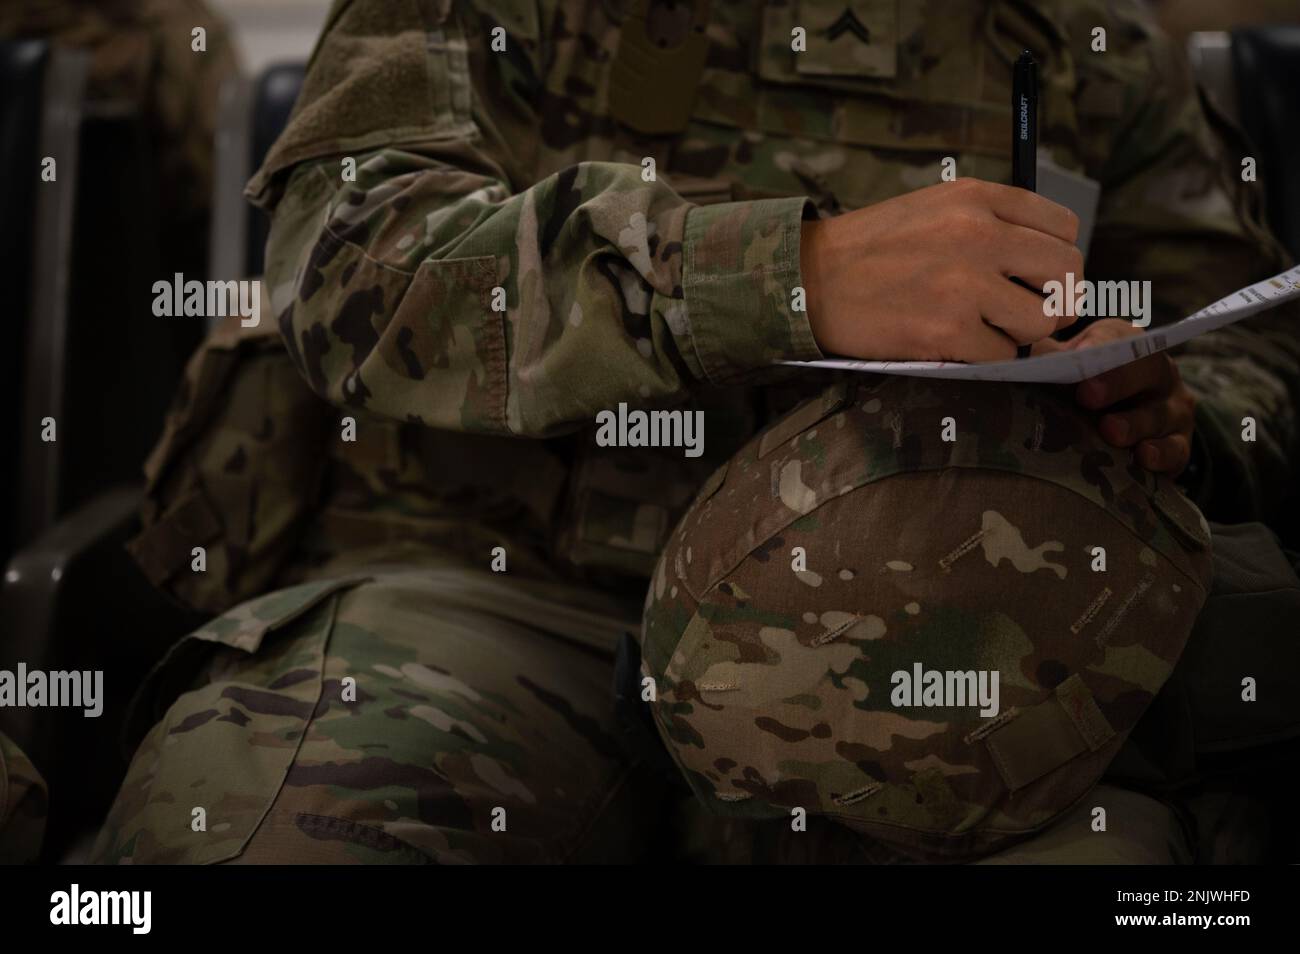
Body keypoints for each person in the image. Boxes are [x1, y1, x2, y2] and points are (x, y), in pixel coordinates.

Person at [93, 0, 1299, 864]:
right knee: (266, 820)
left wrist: (1174, 420)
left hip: (947, 640)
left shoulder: (1088, 41)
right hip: (482, 598)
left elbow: (1242, 343)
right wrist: (792, 274)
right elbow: (348, 266)